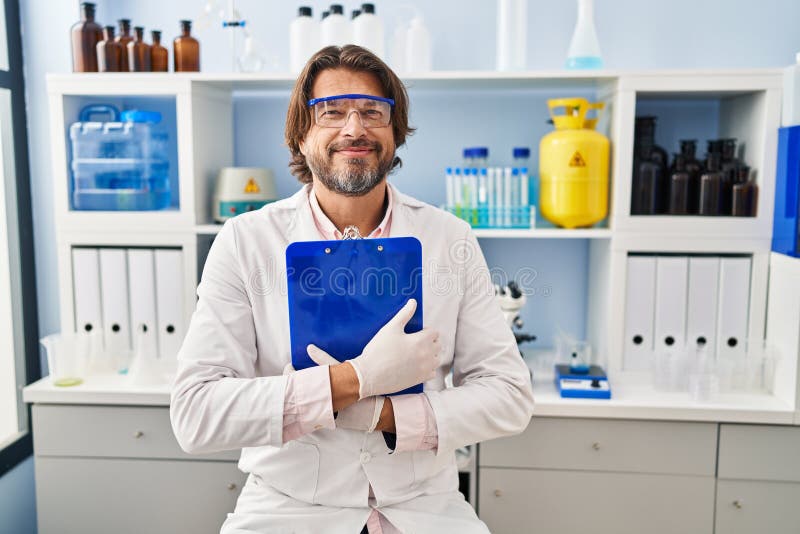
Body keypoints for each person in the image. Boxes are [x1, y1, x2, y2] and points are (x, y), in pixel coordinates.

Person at [170, 45, 535, 534]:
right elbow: (195, 414)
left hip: (425, 509)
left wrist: (386, 415)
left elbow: (509, 396)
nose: (354, 128)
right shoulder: (247, 242)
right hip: (288, 510)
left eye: (372, 112)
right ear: (301, 136)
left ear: (395, 133)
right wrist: (352, 380)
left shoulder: (449, 240)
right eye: (332, 111)